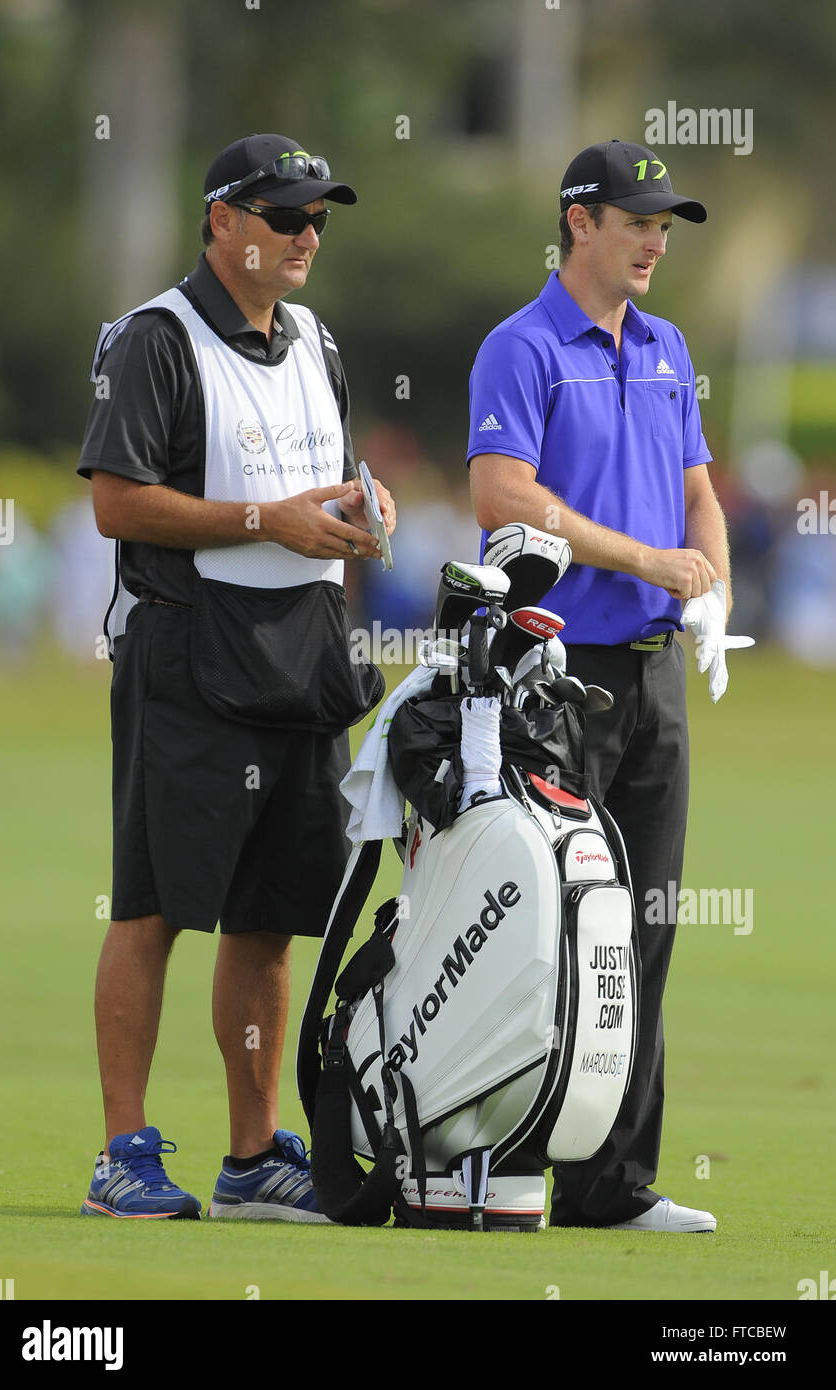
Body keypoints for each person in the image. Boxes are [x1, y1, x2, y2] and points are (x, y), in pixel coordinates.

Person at [77, 133, 395, 1222]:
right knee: (156, 903)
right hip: (185, 648)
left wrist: (362, 516)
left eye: (320, 218)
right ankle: (124, 1153)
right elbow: (117, 502)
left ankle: (254, 1154)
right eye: (285, 215)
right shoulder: (155, 339)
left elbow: (324, 483)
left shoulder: (316, 338)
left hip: (303, 652)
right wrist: (270, 519)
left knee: (270, 915)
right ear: (221, 220)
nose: (308, 235)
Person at [467, 140, 742, 1233]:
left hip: (652, 676)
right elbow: (502, 497)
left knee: (643, 928)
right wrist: (649, 561)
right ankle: (513, 1161)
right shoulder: (522, 345)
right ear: (579, 221)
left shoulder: (669, 346)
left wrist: (708, 584)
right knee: (548, 926)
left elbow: (698, 492)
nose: (656, 239)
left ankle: (613, 1185)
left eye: (666, 223)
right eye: (638, 219)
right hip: (553, 671)